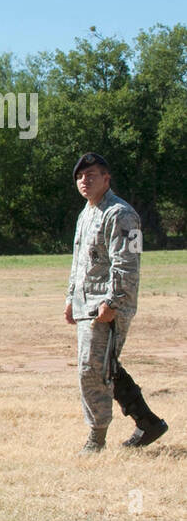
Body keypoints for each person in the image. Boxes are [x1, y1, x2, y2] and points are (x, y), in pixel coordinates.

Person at [65, 153, 167, 452]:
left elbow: (127, 263)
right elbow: (79, 262)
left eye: (92, 175)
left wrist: (113, 302)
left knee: (91, 369)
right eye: (81, 177)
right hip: (86, 304)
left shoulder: (122, 214)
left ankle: (96, 439)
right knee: (105, 366)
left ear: (107, 178)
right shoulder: (87, 213)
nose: (85, 180)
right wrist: (71, 297)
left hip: (106, 307)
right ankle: (149, 423)